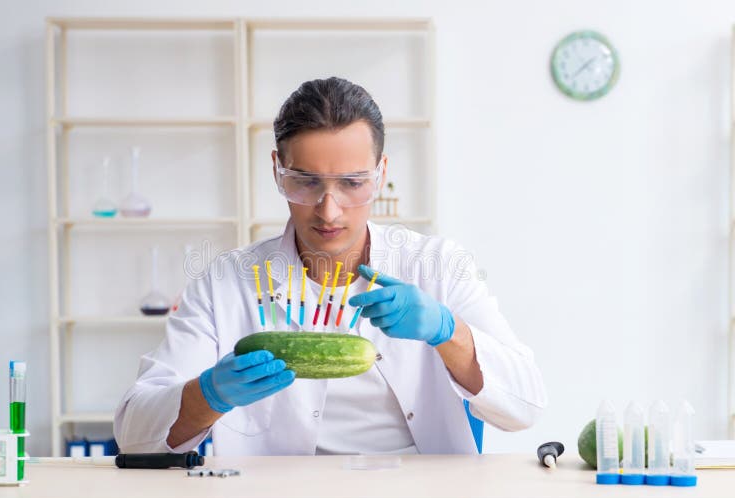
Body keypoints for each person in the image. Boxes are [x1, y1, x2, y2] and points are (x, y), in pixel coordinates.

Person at [114, 77, 546, 455]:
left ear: (380, 175)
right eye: (306, 182)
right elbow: (133, 433)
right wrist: (208, 394)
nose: (329, 210)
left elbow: (526, 405)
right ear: (277, 170)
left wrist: (448, 332)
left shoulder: (437, 266)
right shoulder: (226, 284)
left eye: (353, 183)